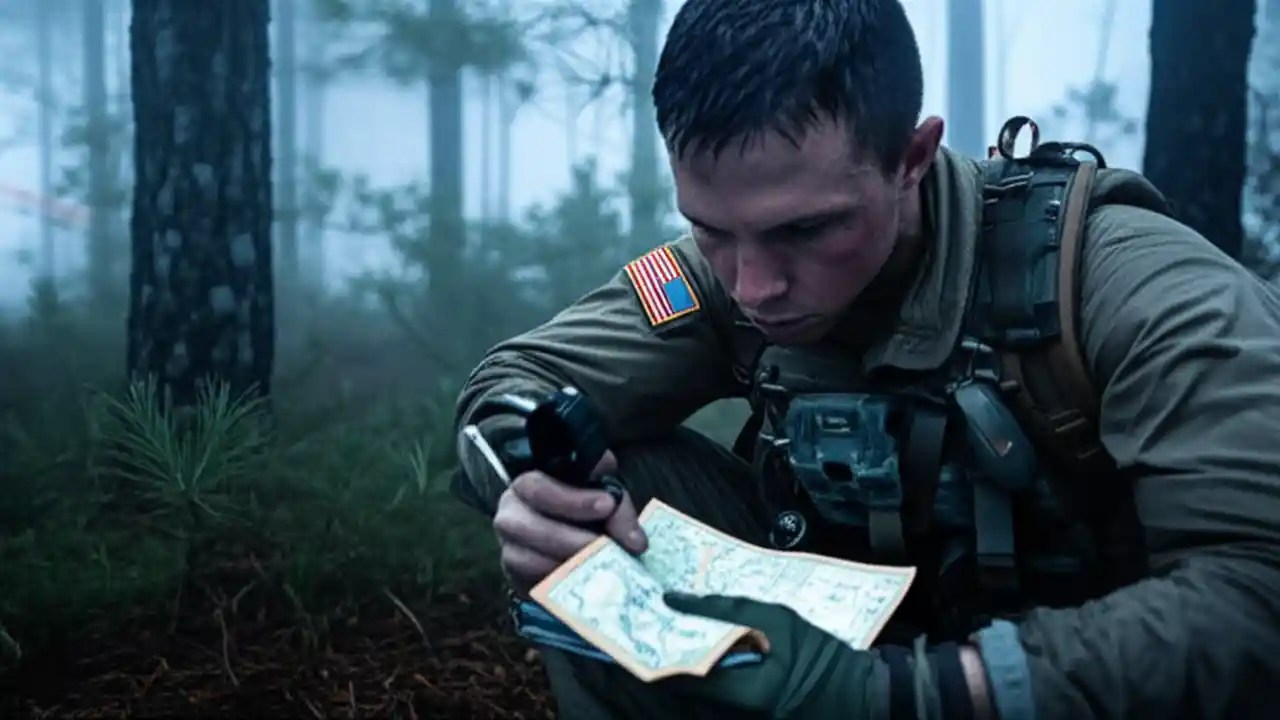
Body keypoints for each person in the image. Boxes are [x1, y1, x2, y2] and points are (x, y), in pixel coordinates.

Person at [450, 1, 1280, 718]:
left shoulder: (1129, 286)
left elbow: (1255, 594)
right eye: (710, 229)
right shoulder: (720, 276)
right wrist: (540, 488)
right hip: (837, 651)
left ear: (912, 158)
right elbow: (511, 389)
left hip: (1058, 685)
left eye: (806, 230)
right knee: (613, 475)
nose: (753, 286)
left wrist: (906, 695)